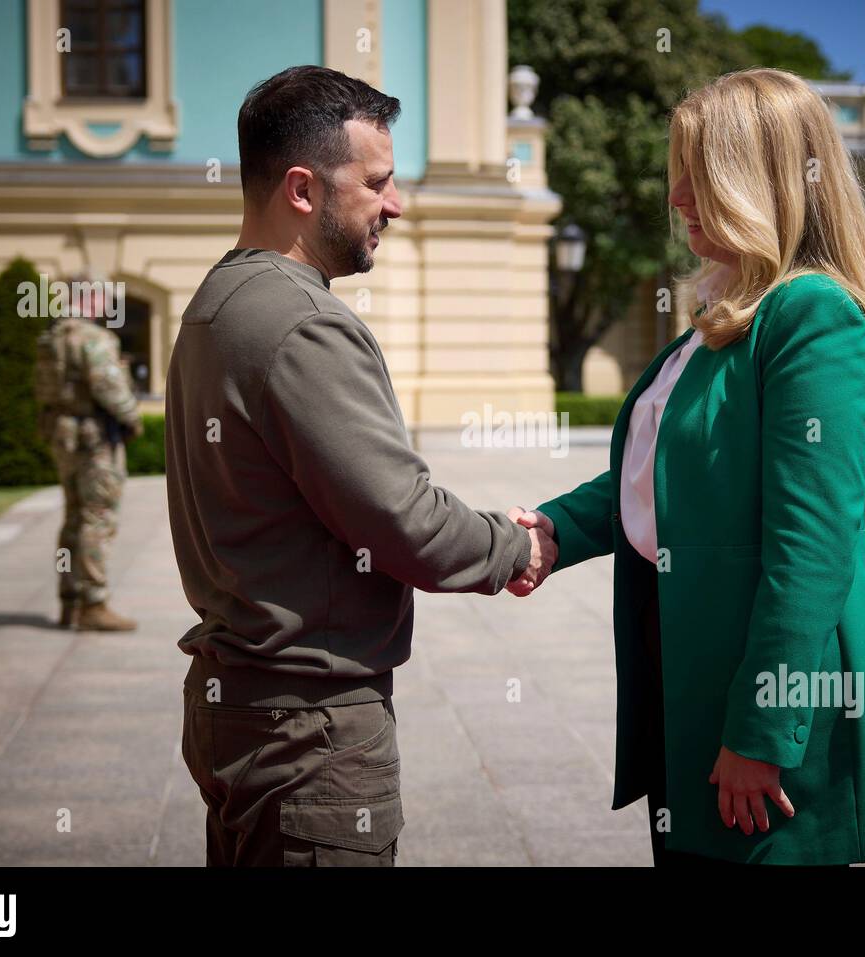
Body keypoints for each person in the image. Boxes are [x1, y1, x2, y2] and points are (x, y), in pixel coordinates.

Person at [510, 68, 865, 866]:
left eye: (696, 175)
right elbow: (659, 478)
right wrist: (551, 529)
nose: (677, 196)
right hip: (697, 683)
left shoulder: (812, 315)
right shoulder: (723, 316)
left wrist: (763, 732)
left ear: (756, 180)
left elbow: (811, 549)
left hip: (770, 711)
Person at [165, 66, 556, 867]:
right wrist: (518, 546)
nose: (396, 203)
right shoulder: (305, 322)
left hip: (238, 705)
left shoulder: (217, 302)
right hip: (310, 733)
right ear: (303, 190)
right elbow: (403, 520)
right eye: (376, 181)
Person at [34, 273, 144, 632]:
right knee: (98, 518)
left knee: (73, 517)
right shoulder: (94, 338)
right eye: (106, 299)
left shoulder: (51, 338)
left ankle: (69, 601)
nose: (109, 306)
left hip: (62, 436)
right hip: (95, 440)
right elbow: (108, 387)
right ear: (91, 298)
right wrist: (132, 418)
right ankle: (93, 603)